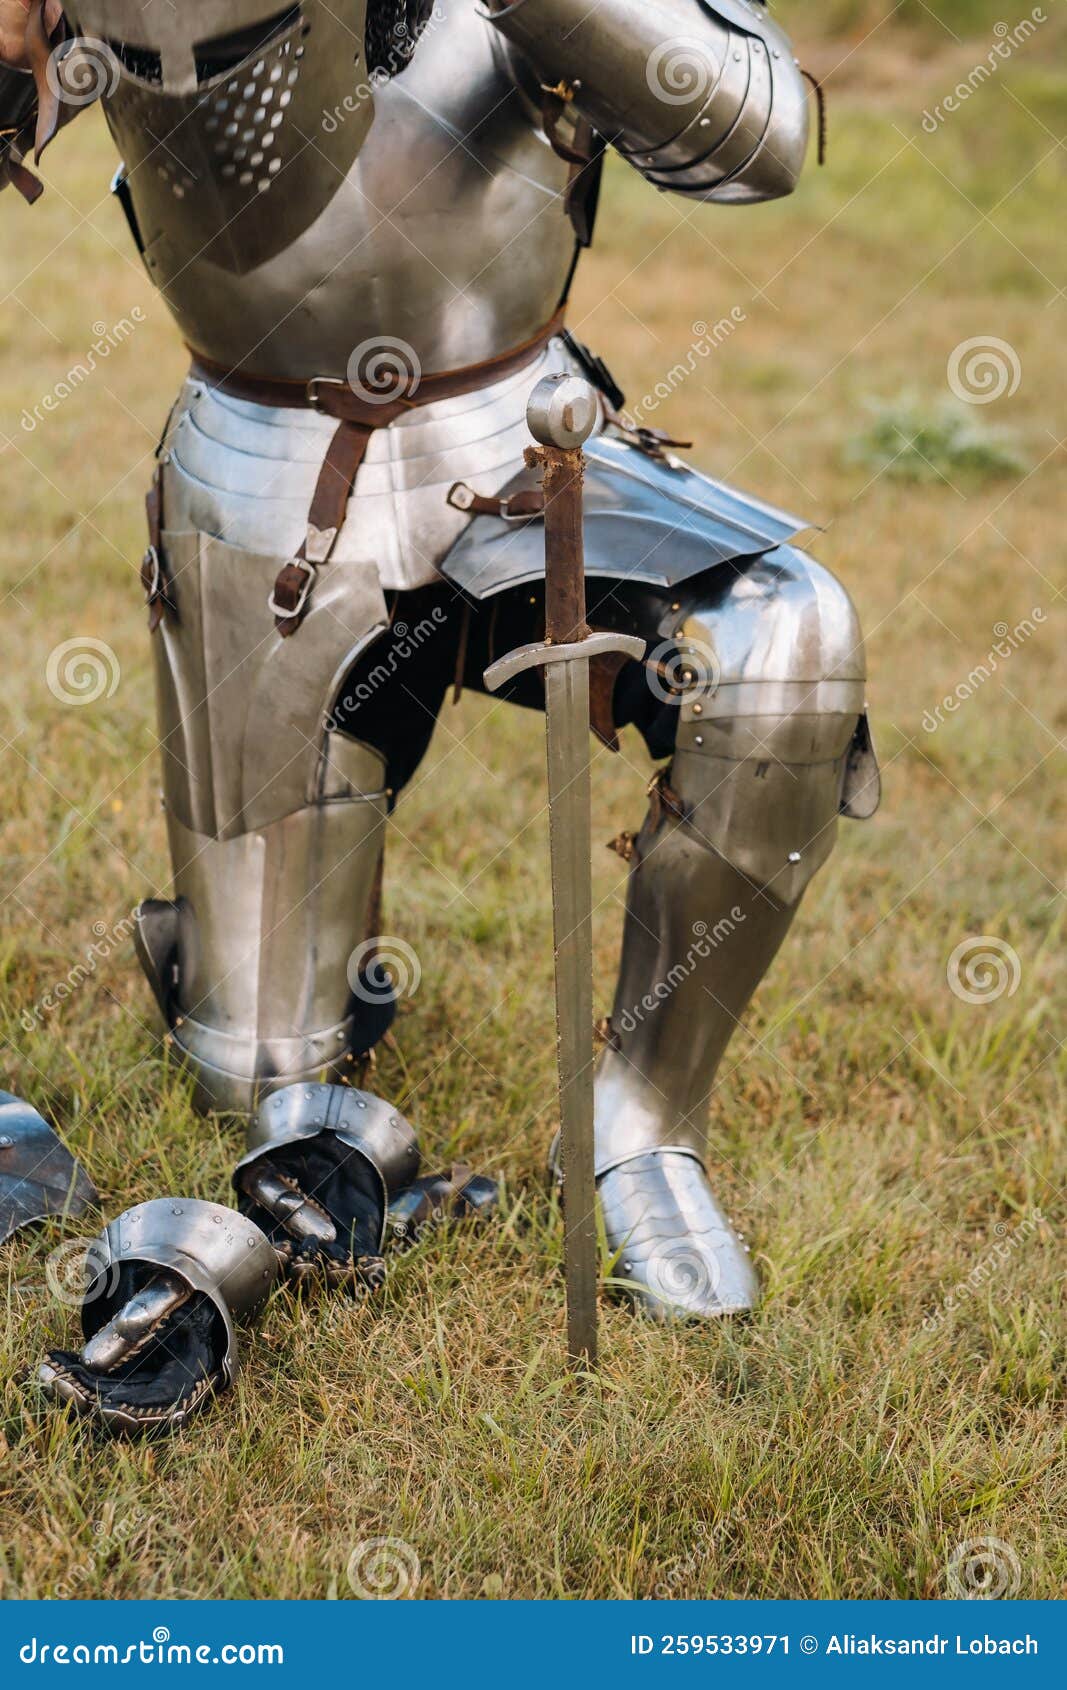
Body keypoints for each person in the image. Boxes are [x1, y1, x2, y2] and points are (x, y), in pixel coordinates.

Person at [3, 0, 879, 1428]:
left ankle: (639, 1131)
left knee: (789, 637)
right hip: (265, 480)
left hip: (521, 441)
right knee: (258, 1081)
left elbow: (760, 136)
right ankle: (252, 971)